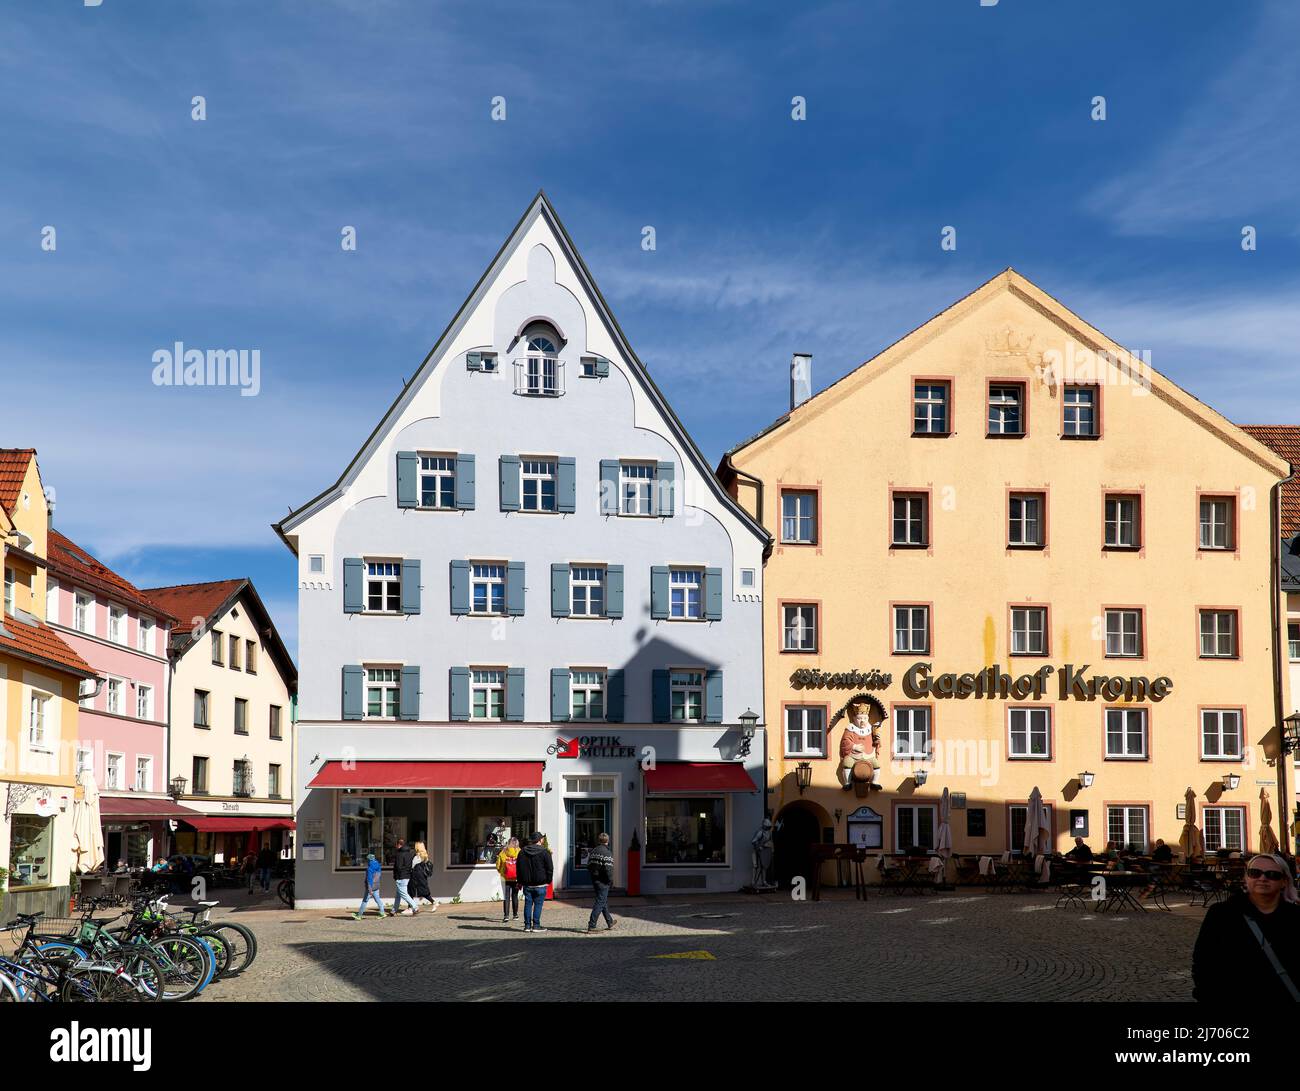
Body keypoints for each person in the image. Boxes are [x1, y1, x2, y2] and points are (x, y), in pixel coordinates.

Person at [1192, 853, 1300, 1001]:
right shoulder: (1222, 914)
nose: (1262, 878)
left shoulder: (1295, 918)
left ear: (1284, 881)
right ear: (1246, 877)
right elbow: (1204, 962)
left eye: (1272, 874)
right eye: (1255, 873)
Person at [517, 832, 553, 933]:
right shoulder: (545, 852)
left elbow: (518, 868)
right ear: (540, 840)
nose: (543, 840)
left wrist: (519, 881)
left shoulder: (522, 851)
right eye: (542, 839)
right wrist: (548, 880)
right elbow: (550, 868)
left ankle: (527, 926)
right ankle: (536, 926)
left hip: (527, 884)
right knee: (538, 904)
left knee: (528, 904)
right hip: (540, 883)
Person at [585, 832, 617, 933]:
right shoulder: (607, 853)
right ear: (607, 841)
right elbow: (609, 869)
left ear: (599, 841)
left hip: (595, 879)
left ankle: (609, 921)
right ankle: (592, 925)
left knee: (602, 900)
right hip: (603, 881)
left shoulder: (594, 851)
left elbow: (589, 865)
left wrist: (594, 875)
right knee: (600, 901)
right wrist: (610, 880)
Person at [353, 852, 388, 919]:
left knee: (365, 901)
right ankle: (383, 913)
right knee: (378, 900)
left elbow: (369, 879)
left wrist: (370, 889)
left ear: (369, 860)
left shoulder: (369, 868)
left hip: (371, 887)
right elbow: (379, 876)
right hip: (377, 886)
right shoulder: (378, 865)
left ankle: (359, 915)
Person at [496, 837, 522, 923]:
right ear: (517, 843)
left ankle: (506, 916)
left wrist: (502, 873)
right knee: (515, 896)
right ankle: (515, 915)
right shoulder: (519, 852)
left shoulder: (503, 852)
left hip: (505, 878)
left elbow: (497, 866)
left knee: (506, 896)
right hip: (516, 878)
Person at [390, 838, 420, 915]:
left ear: (399, 845)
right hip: (407, 875)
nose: (395, 846)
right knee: (398, 895)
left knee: (404, 894)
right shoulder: (409, 853)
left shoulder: (399, 854)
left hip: (400, 877)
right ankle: (393, 910)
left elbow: (398, 867)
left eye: (396, 845)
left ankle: (415, 907)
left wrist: (396, 876)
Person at [408, 841, 436, 910]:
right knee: (421, 892)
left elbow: (412, 866)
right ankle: (434, 903)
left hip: (416, 877)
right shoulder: (424, 855)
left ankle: (410, 908)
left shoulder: (417, 856)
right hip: (421, 877)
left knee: (411, 892)